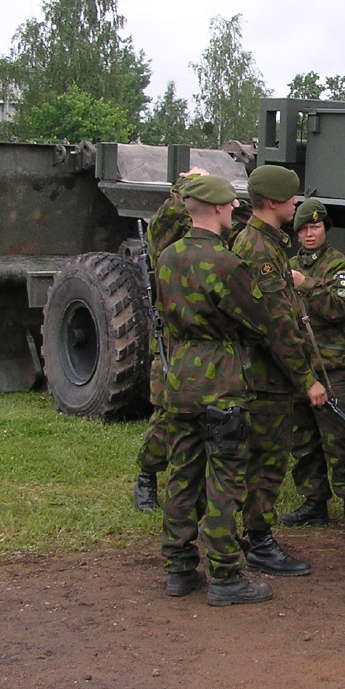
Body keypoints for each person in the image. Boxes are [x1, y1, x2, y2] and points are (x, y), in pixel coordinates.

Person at [153, 174, 275, 606]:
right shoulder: (225, 263)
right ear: (222, 209)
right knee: (224, 480)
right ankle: (225, 573)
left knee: (182, 475)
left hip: (180, 378)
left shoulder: (167, 257)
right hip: (221, 381)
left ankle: (179, 568)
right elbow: (257, 319)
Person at [232, 165, 328, 576]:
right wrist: (306, 379)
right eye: (290, 198)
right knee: (268, 461)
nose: (296, 203)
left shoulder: (264, 243)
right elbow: (277, 325)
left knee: (260, 459)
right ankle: (259, 541)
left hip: (263, 374)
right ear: (271, 203)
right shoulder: (260, 250)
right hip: (265, 378)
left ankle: (250, 534)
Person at [279, 198, 345, 542]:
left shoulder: (339, 266)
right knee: (303, 441)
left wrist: (304, 284)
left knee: (339, 442)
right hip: (299, 368)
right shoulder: (288, 265)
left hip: (332, 369)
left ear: (325, 228)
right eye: (303, 228)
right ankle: (314, 503)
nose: (309, 234)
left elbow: (339, 308)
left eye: (314, 227)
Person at [132, 167, 209, 514]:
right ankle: (147, 476)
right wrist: (188, 185)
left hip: (205, 338)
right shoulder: (166, 237)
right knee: (166, 414)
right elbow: (163, 224)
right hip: (174, 339)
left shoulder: (209, 235)